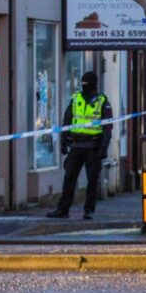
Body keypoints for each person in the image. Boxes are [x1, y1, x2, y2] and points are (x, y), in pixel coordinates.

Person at [46, 71, 113, 220]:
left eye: (86, 84)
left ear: (94, 85)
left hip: (93, 146)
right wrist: (64, 142)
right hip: (76, 146)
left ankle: (89, 210)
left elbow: (108, 128)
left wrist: (103, 148)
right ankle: (63, 209)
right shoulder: (76, 99)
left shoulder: (102, 102)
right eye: (83, 84)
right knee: (69, 178)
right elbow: (67, 121)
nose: (84, 86)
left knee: (92, 180)